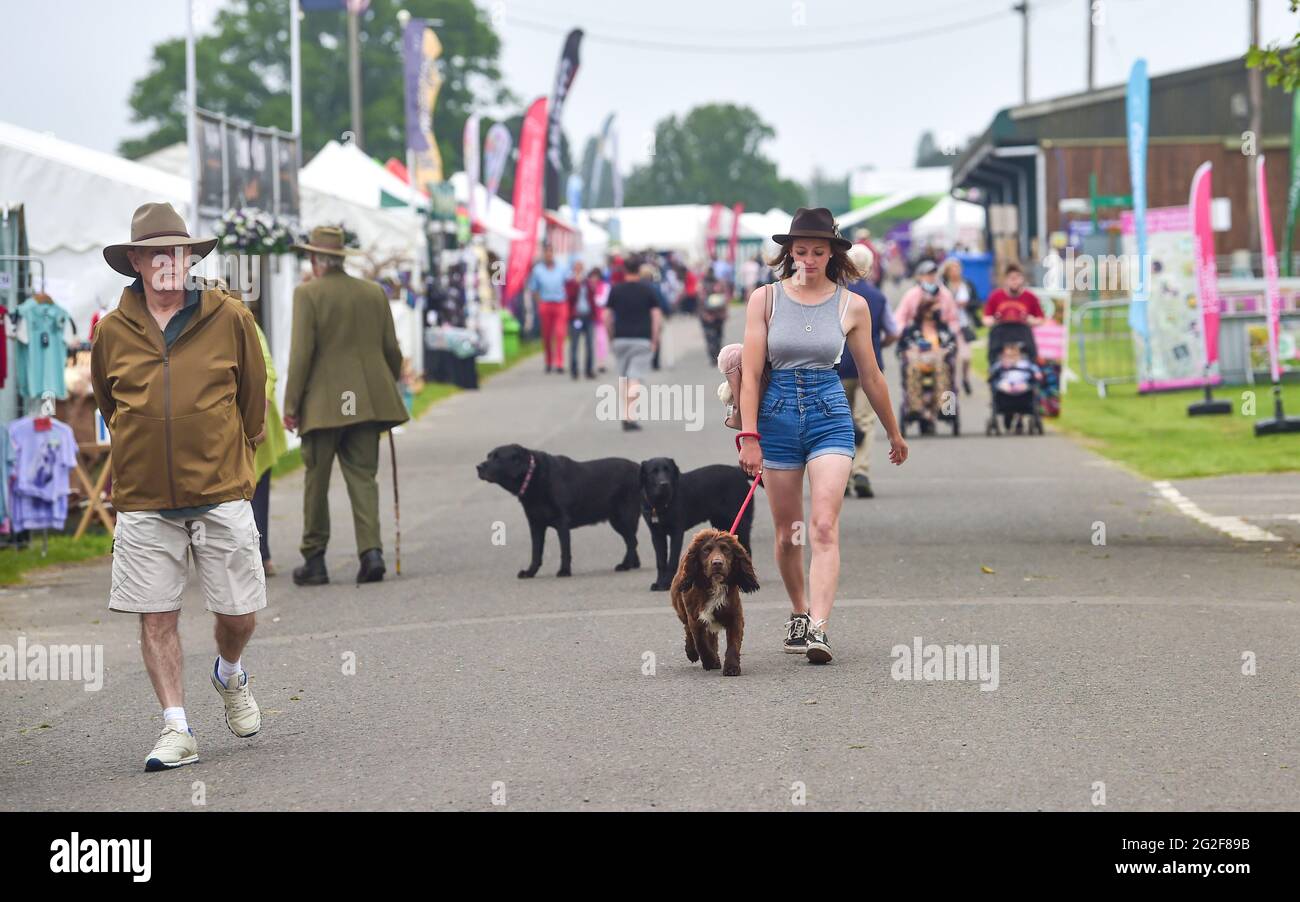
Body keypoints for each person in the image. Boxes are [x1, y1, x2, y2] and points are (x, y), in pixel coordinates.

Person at [91, 202, 267, 771]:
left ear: (190, 257)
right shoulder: (111, 330)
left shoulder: (231, 318)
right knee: (156, 613)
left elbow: (253, 401)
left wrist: (234, 457)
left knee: (239, 613)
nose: (170, 261)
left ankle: (230, 672)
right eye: (157, 252)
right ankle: (176, 727)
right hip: (144, 497)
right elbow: (107, 402)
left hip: (219, 487)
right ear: (137, 262)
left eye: (179, 251)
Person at [737, 208, 908, 664]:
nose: (808, 260)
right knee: (788, 533)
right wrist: (749, 436)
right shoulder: (765, 300)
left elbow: (871, 373)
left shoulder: (852, 305)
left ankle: (819, 627)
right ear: (788, 253)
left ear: (833, 253)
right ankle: (798, 610)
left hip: (829, 410)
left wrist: (894, 432)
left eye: (817, 251)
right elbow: (751, 374)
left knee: (824, 526)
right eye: (800, 251)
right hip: (775, 417)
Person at [283, 226, 410, 587]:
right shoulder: (373, 293)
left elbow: (301, 355)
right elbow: (392, 349)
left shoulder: (307, 294)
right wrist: (389, 383)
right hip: (367, 403)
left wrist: (291, 404)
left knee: (316, 483)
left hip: (323, 406)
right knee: (364, 478)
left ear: (315, 259)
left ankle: (315, 559)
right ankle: (372, 553)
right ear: (340, 258)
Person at [838, 243, 900, 499]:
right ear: (869, 268)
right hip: (869, 366)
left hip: (839, 367)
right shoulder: (877, 297)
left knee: (840, 423)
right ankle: (861, 471)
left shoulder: (835, 295)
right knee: (865, 420)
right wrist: (879, 344)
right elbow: (893, 331)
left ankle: (842, 475)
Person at [606, 254, 662, 432]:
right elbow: (656, 316)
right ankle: (631, 416)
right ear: (639, 269)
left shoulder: (615, 290)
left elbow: (606, 316)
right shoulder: (648, 290)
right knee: (635, 377)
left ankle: (625, 414)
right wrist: (654, 339)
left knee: (624, 378)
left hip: (620, 338)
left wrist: (611, 336)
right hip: (641, 339)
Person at [251, 317, 288, 576]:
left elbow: (267, 371)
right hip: (221, 426)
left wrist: (260, 413)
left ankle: (262, 555)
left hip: (254, 424)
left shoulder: (246, 325)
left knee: (256, 490)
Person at [898, 290, 957, 430]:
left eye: (935, 310)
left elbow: (952, 344)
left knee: (942, 367)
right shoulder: (912, 329)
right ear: (923, 311)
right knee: (912, 367)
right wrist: (910, 352)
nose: (932, 314)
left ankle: (944, 406)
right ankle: (915, 407)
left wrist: (944, 351)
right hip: (918, 362)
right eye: (930, 310)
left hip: (938, 361)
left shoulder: (943, 329)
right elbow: (903, 347)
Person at [938, 257, 980, 395]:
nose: (955, 271)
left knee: (966, 356)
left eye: (957, 268)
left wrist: (966, 304)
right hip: (949, 326)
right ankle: (953, 385)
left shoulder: (967, 284)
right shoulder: (943, 286)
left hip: (964, 324)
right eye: (952, 269)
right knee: (953, 358)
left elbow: (977, 302)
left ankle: (965, 378)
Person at [526, 245, 569, 373]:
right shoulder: (538, 270)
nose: (549, 255)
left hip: (560, 303)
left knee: (560, 334)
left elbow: (568, 284)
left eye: (551, 252)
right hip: (545, 303)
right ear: (544, 254)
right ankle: (549, 361)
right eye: (547, 253)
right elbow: (533, 288)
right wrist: (539, 300)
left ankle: (559, 362)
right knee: (547, 334)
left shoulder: (562, 268)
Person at [565, 263, 599, 380]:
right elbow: (570, 297)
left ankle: (589, 369)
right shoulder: (570, 283)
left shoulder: (587, 283)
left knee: (589, 344)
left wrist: (595, 315)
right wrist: (576, 284)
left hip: (588, 316)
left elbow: (592, 298)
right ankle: (574, 370)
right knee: (574, 344)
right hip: (576, 317)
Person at [700, 277, 729, 365]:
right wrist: (705, 315)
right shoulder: (703, 289)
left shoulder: (719, 287)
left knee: (717, 338)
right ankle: (713, 357)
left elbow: (724, 302)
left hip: (717, 317)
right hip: (708, 318)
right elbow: (701, 304)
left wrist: (724, 313)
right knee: (711, 338)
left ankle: (716, 356)